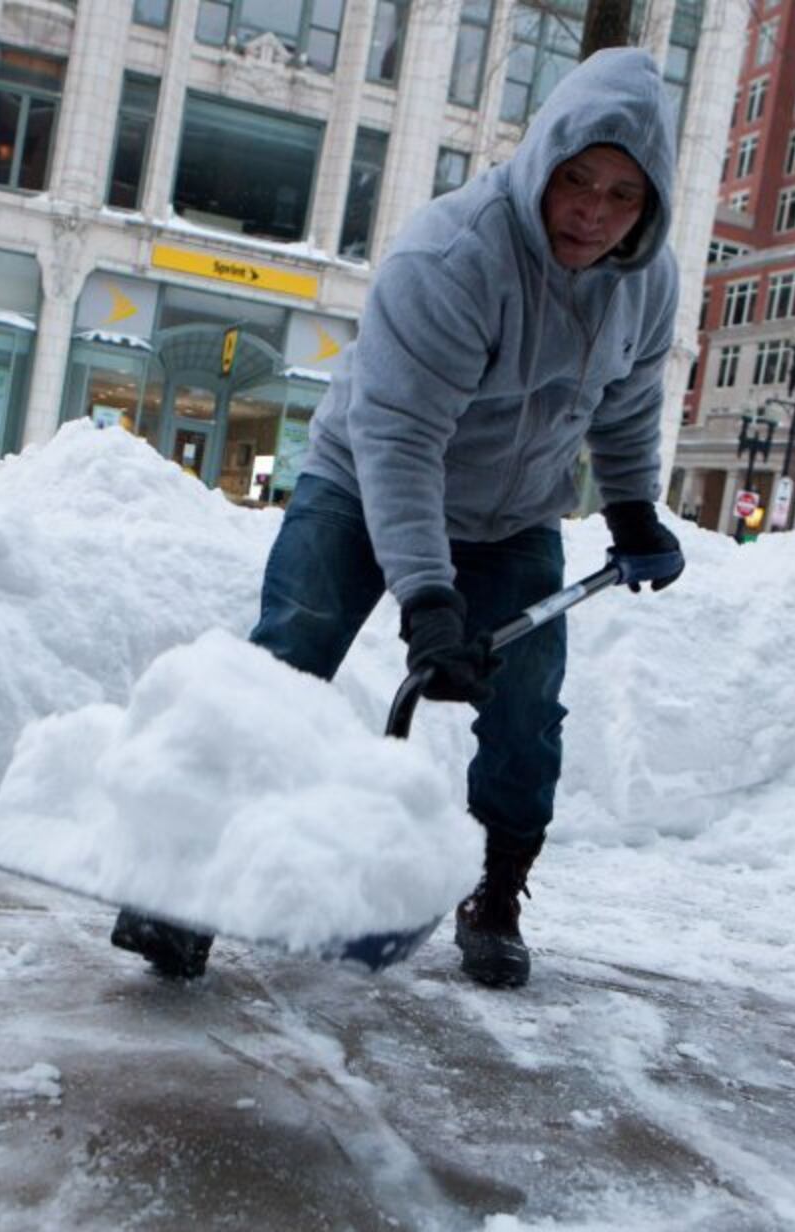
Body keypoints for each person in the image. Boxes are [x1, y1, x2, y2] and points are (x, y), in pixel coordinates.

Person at [113, 48, 684, 988]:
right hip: (363, 476)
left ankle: (494, 893)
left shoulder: (645, 283)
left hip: (515, 514)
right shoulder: (454, 256)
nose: (594, 210)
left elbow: (624, 407)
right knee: (288, 659)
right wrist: (428, 600)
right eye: (578, 180)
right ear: (543, 161)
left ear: (648, 206)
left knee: (528, 712)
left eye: (623, 195)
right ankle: (181, 885)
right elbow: (402, 442)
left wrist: (631, 509)